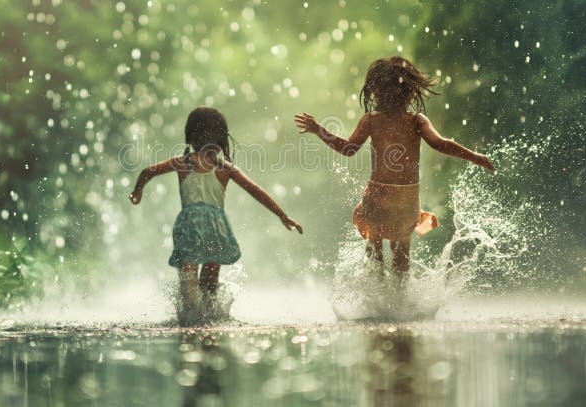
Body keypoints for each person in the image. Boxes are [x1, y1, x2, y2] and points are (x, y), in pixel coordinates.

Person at [295, 56, 493, 278]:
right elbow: (440, 144)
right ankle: (400, 304)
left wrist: (319, 130)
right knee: (402, 255)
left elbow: (348, 149)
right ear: (410, 91)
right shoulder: (417, 120)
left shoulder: (371, 120)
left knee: (374, 250)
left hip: (377, 198)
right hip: (406, 202)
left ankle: (376, 300)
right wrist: (474, 156)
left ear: (375, 92)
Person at [130, 106, 302, 324]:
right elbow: (256, 190)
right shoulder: (225, 168)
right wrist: (282, 215)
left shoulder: (182, 163)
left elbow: (147, 172)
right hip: (216, 228)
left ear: (190, 135)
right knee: (209, 286)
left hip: (188, 227)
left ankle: (189, 323)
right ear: (221, 139)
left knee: (188, 284)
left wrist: (137, 192)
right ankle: (210, 329)